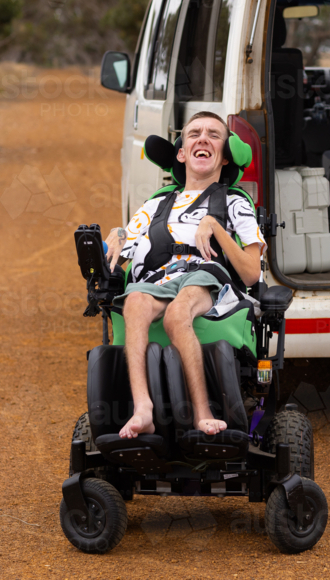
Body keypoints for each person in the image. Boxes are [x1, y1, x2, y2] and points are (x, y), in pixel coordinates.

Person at [104, 112, 266, 438]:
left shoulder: (235, 202)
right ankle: (143, 409)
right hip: (158, 279)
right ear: (181, 153)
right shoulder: (155, 204)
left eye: (213, 134)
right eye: (193, 133)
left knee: (178, 314)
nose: (202, 138)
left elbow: (250, 273)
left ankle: (201, 413)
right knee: (134, 301)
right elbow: (123, 247)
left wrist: (216, 227)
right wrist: (116, 235)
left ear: (225, 154)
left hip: (209, 281)